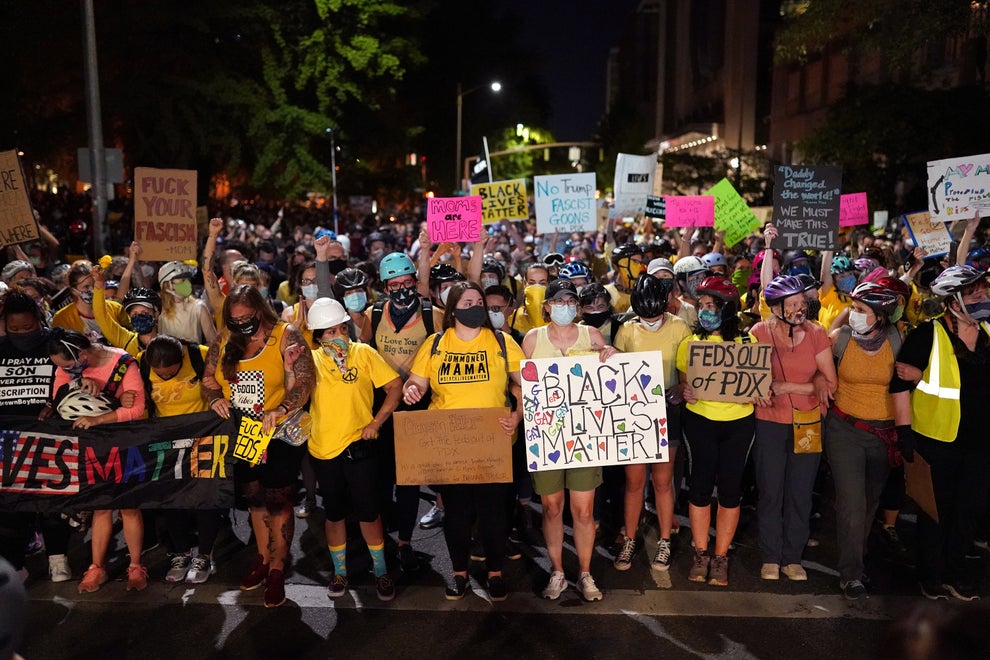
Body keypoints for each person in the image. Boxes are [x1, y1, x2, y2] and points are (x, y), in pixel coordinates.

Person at [404, 281, 524, 601]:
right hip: (450, 444)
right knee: (456, 513)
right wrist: (411, 389)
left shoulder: (501, 341)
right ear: (453, 308)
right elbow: (417, 381)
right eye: (468, 303)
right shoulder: (435, 344)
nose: (475, 308)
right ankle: (459, 574)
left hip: (493, 443)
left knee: (493, 513)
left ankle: (495, 573)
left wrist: (517, 415)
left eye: (479, 302)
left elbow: (523, 384)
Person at [201, 284, 315, 608]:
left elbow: (306, 381)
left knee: (279, 499)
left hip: (277, 431)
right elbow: (208, 379)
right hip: (244, 431)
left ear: (260, 311)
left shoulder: (285, 335)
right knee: (254, 498)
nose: (241, 326)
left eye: (247, 318)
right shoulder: (225, 339)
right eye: (234, 320)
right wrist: (215, 400)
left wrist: (281, 409)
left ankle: (278, 567)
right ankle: (263, 557)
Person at [287, 298, 402, 602]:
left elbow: (394, 386)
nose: (338, 335)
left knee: (369, 513)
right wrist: (290, 364)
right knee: (334, 514)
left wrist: (376, 422)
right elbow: (293, 394)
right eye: (328, 331)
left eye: (341, 328)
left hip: (359, 447)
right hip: (324, 451)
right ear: (317, 336)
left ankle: (380, 571)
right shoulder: (310, 360)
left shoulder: (363, 353)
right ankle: (340, 572)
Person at [890, 265, 990, 601]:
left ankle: (955, 573)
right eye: (974, 292)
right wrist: (904, 432)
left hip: (979, 445)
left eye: (984, 290)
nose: (983, 296)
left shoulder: (989, 333)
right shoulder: (927, 335)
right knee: (935, 513)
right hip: (936, 441)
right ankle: (931, 576)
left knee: (968, 513)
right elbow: (899, 386)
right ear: (954, 300)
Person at [521, 279, 619, 602]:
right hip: (547, 438)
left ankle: (586, 572)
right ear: (547, 306)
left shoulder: (591, 335)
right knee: (551, 508)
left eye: (571, 302)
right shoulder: (532, 339)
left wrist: (611, 354)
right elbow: (521, 385)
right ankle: (558, 571)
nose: (566, 307)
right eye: (559, 301)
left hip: (584, 437)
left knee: (583, 510)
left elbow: (608, 379)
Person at [44, 328, 148, 593]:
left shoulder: (123, 363)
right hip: (91, 446)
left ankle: (136, 565)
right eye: (60, 368)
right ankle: (96, 567)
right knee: (100, 506)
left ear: (81, 353)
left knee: (128, 506)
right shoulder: (67, 370)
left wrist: (101, 412)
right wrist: (74, 386)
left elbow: (136, 408)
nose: (66, 370)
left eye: (68, 365)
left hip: (125, 442)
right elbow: (59, 402)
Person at [359, 252, 443, 570]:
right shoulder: (375, 313)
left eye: (407, 282)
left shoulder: (432, 314)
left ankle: (405, 542)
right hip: (382, 405)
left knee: (409, 479)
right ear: (384, 287)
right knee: (381, 480)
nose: (402, 288)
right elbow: (364, 351)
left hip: (417, 406)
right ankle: (383, 541)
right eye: (394, 284)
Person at [750, 275, 836, 581]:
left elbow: (830, 383)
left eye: (802, 302)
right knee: (771, 492)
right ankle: (771, 556)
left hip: (809, 423)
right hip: (770, 424)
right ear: (775, 308)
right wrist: (757, 390)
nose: (800, 308)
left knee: (800, 492)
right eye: (792, 304)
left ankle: (792, 557)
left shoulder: (817, 333)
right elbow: (751, 380)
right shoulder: (758, 332)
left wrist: (787, 385)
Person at [675, 276, 757, 586]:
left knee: (730, 490)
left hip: (739, 424)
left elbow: (759, 387)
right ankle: (701, 553)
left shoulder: (748, 344)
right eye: (701, 306)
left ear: (728, 309)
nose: (704, 311)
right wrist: (685, 390)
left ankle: (720, 557)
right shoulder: (690, 343)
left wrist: (757, 393)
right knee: (699, 488)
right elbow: (685, 383)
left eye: (711, 305)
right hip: (700, 423)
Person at [826, 282, 902, 600]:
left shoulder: (898, 340)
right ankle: (851, 574)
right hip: (845, 431)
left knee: (870, 505)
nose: (852, 315)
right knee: (853, 504)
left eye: (860, 311)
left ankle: (857, 557)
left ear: (881, 317)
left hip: (884, 435)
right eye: (853, 308)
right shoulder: (839, 339)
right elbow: (819, 371)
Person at [611, 273, 690, 573]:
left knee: (662, 480)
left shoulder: (681, 327)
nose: (651, 320)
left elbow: (687, 372)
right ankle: (630, 538)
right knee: (634, 482)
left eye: (655, 314)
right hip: (634, 413)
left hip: (668, 412)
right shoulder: (627, 331)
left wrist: (680, 390)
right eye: (645, 316)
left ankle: (665, 540)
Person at [0, 291, 72, 584]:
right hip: (8, 440)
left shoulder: (57, 341)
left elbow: (80, 374)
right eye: (13, 329)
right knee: (11, 508)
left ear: (39, 320)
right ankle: (15, 565)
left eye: (27, 328)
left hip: (50, 436)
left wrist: (55, 404)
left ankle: (58, 560)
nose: (20, 334)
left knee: (52, 504)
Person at [140, 335, 221, 585]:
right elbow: (140, 400)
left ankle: (204, 556)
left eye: (170, 372)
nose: (164, 376)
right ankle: (181, 554)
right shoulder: (142, 363)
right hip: (168, 444)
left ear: (182, 359)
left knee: (206, 501)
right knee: (174, 502)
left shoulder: (201, 356)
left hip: (204, 440)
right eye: (159, 373)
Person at [51, 263, 130, 343]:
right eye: (86, 287)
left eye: (94, 284)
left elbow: (131, 336)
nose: (92, 290)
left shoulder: (115, 308)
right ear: (74, 291)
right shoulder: (62, 318)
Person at [157, 260, 216, 345]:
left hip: (193, 357)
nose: (187, 283)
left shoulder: (198, 307)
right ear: (168, 284)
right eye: (183, 279)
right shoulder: (158, 308)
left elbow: (213, 342)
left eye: (188, 279)